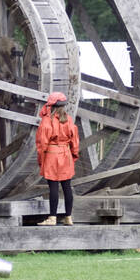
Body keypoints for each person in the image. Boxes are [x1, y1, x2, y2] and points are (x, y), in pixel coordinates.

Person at [36, 92, 79, 226]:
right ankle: (68, 217)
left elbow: (42, 143)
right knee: (67, 187)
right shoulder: (69, 119)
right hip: (66, 154)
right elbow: (75, 141)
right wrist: (73, 156)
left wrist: (41, 159)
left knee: (53, 187)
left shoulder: (47, 120)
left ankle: (52, 218)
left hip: (52, 154)